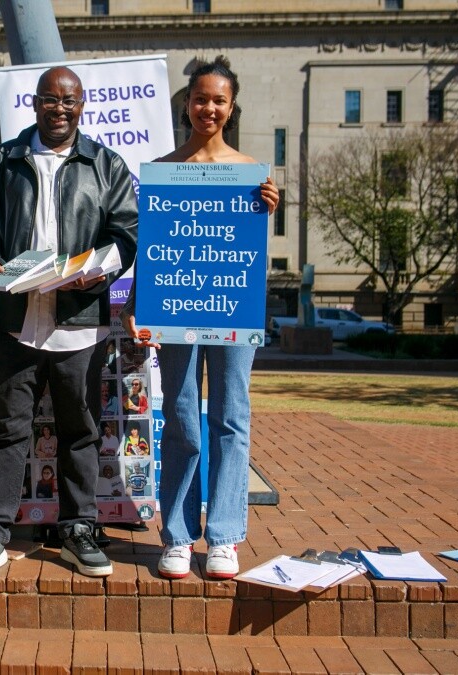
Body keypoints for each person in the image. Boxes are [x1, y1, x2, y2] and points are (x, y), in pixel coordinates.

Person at [0, 66, 138, 581]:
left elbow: (125, 234)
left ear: (82, 104)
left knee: (79, 429)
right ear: (35, 103)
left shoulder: (106, 165)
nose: (59, 108)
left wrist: (97, 270)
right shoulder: (1, 162)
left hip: (80, 320)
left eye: (69, 100)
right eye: (49, 99)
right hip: (15, 320)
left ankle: (78, 530)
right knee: (5, 427)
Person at [121, 56, 280, 580]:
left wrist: (267, 210)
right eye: (200, 98)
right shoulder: (164, 170)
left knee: (231, 417)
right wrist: (135, 303)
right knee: (184, 418)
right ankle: (179, 536)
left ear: (231, 108)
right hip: (178, 309)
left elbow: (250, 249)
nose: (208, 107)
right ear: (187, 104)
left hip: (234, 306)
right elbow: (156, 249)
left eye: (219, 100)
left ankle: (226, 537)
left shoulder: (250, 172)